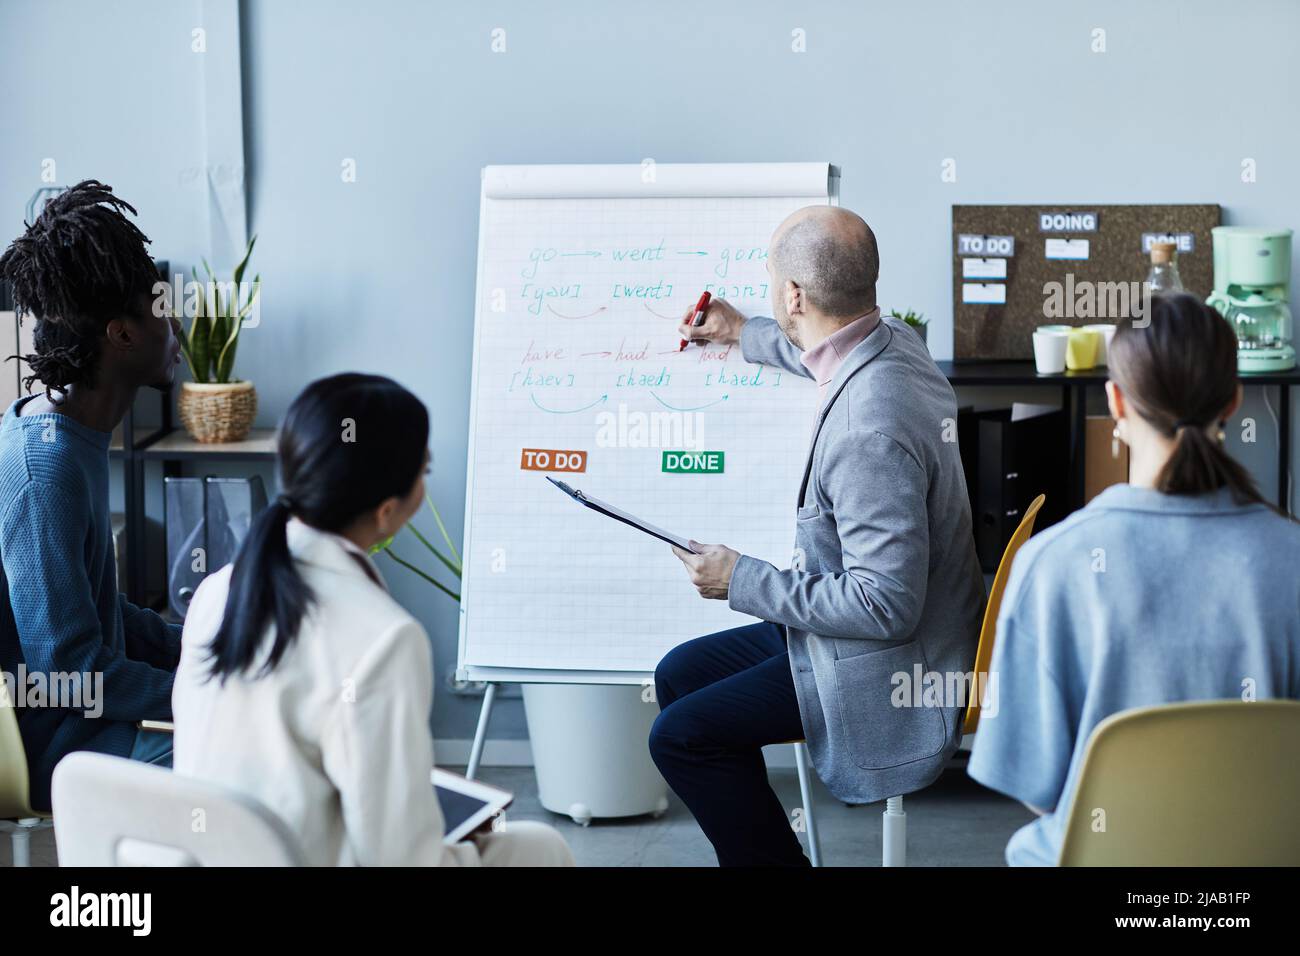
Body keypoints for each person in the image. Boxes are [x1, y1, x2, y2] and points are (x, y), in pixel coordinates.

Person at [651, 206, 985, 866]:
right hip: (909, 632)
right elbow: (820, 355)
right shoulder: (895, 343)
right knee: (679, 675)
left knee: (682, 737)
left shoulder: (867, 433)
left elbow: (885, 607)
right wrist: (742, 331)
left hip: (895, 664)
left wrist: (738, 578)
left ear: (794, 295)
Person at [172, 373, 573, 867]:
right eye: (423, 471)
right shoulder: (385, 638)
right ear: (386, 511)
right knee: (538, 846)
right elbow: (401, 861)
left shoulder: (216, 590)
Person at [968, 293, 1300, 865]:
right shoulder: (1290, 555)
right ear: (1234, 400)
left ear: (1116, 401)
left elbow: (1034, 790)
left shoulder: (1052, 563)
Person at [0, 181, 183, 811]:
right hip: (48, 748)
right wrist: (205, 698)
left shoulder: (71, 434)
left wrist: (205, 653)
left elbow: (97, 609)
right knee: (255, 770)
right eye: (160, 308)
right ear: (121, 334)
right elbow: (71, 669)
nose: (176, 324)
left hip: (79, 729)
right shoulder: (43, 467)